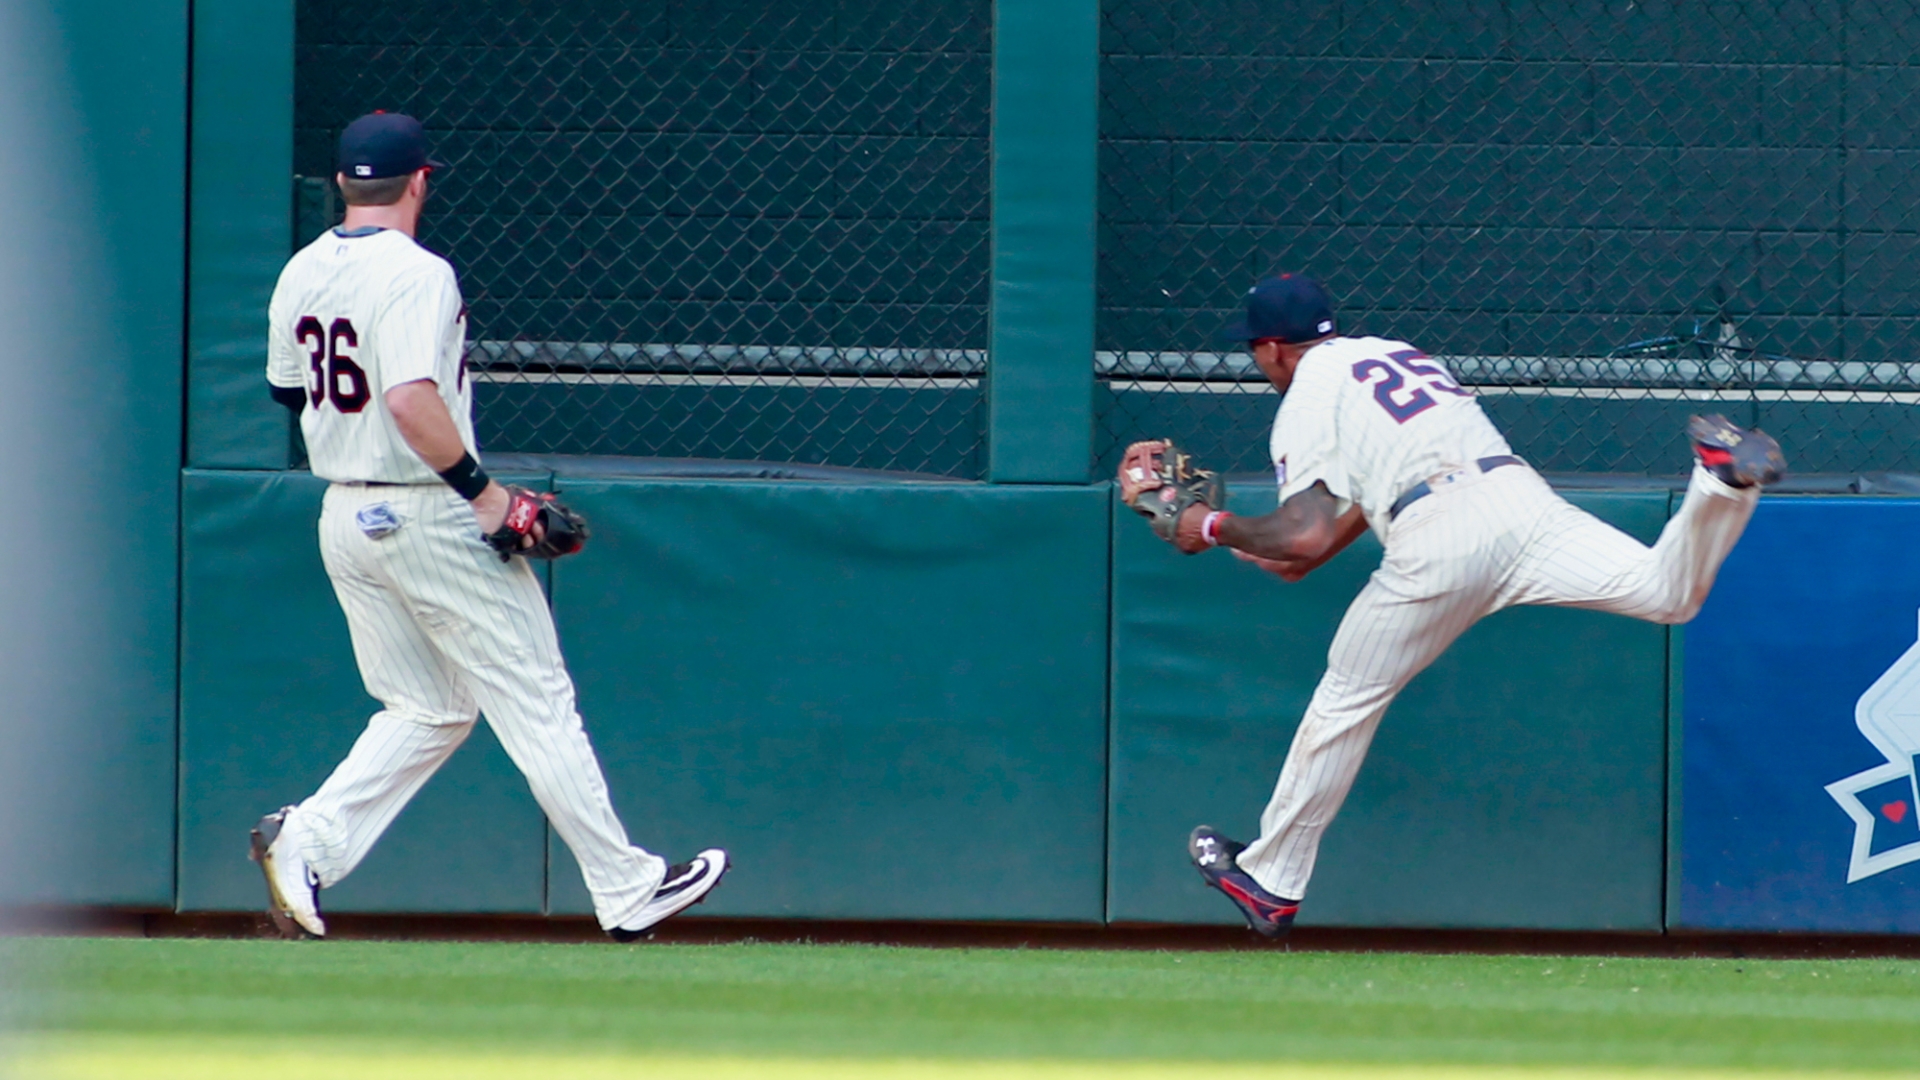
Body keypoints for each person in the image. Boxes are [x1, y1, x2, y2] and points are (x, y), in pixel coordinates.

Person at [1118, 274, 1785, 937]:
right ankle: (1718, 482)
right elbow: (1318, 539)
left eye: (1256, 351)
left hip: (1441, 533)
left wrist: (1207, 524)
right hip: (1518, 502)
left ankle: (1272, 880)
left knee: (1349, 693)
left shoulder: (1309, 389)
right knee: (1664, 592)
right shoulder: (1393, 355)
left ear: (1272, 348)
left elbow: (1305, 532)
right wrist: (1255, 541)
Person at [253, 112, 726, 941]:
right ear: (420, 181)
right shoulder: (416, 271)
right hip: (426, 507)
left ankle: (311, 842)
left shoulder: (302, 268)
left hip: (344, 512)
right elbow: (407, 398)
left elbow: (289, 396)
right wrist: (485, 496)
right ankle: (625, 886)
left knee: (428, 706)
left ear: (342, 183)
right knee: (538, 701)